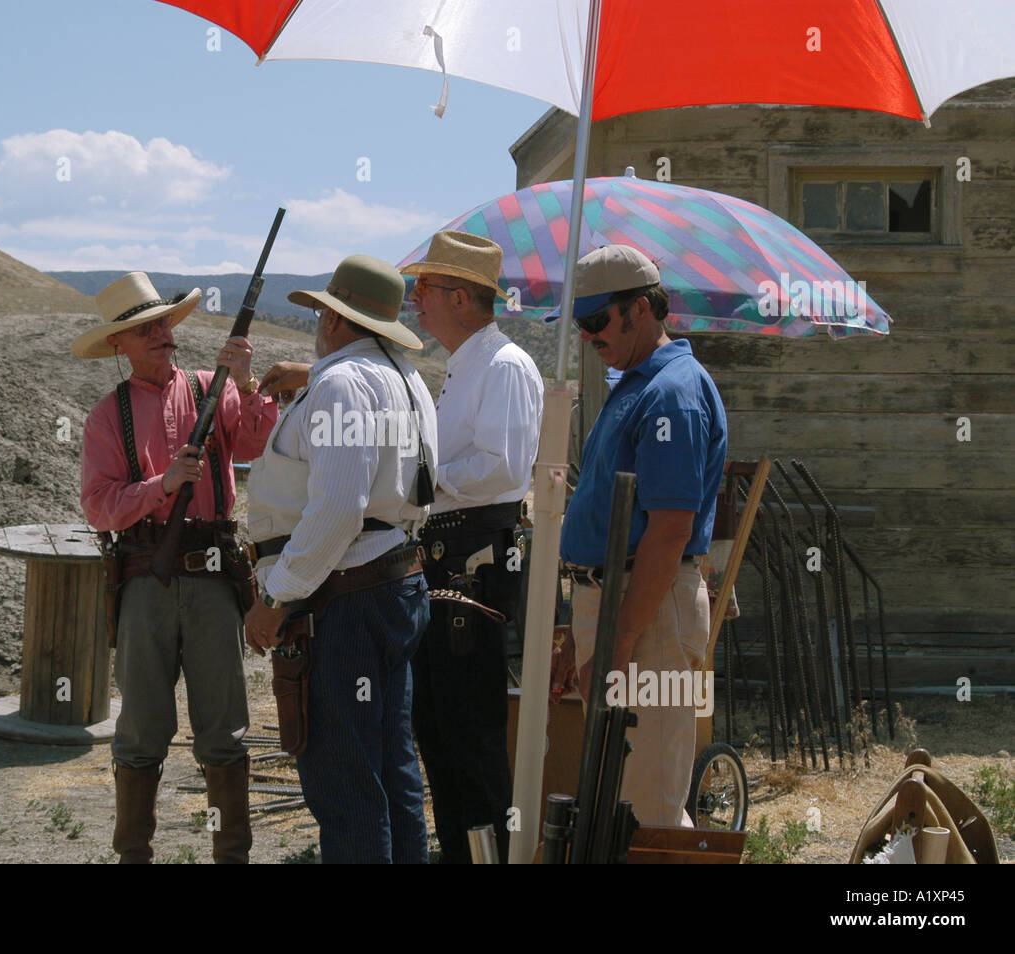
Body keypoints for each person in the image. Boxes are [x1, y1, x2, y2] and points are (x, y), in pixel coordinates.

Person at [75, 272, 277, 863]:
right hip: (144, 581)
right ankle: (134, 854)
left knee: (224, 733)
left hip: (214, 579)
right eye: (146, 329)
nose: (163, 334)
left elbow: (257, 442)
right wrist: (160, 486)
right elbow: (99, 506)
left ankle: (229, 855)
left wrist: (246, 379)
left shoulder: (213, 386)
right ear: (121, 345)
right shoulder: (106, 417)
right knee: (140, 734)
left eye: (163, 323)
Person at [244, 255, 439, 863]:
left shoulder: (341, 384)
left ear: (333, 317)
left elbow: (338, 510)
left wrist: (278, 598)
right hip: (388, 582)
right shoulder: (407, 380)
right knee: (389, 764)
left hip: (345, 594)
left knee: (346, 778)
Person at [560, 245, 727, 828]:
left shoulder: (670, 394)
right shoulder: (639, 383)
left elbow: (670, 531)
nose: (586, 336)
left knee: (649, 805)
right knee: (623, 796)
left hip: (644, 609)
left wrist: (618, 639)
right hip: (623, 606)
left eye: (595, 321)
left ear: (640, 310)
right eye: (580, 323)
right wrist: (584, 628)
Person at [399, 230, 543, 863]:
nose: (415, 301)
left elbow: (504, 466)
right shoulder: (470, 365)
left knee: (471, 739)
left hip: (471, 571)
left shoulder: (503, 365)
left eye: (424, 289)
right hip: (448, 566)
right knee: (440, 732)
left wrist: (420, 480)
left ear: (459, 297)